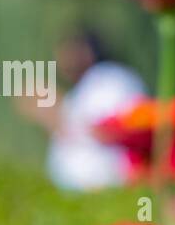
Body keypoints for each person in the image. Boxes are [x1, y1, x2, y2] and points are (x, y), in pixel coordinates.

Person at [18, 31, 145, 191]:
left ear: (87, 51)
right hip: (79, 192)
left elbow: (118, 129)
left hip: (106, 187)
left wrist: (56, 110)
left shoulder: (111, 79)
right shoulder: (82, 90)